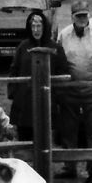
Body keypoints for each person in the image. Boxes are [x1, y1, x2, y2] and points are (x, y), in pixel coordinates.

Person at [55, 1, 92, 180]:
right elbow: (57, 62)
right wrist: (61, 88)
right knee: (68, 131)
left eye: (84, 15)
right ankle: (69, 167)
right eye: (78, 16)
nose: (82, 19)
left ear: (89, 16)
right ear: (72, 17)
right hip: (70, 90)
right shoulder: (63, 35)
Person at [7, 10, 70, 142]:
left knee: (45, 141)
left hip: (47, 101)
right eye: (33, 27)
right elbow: (14, 70)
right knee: (25, 141)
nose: (36, 30)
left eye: (39, 26)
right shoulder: (23, 47)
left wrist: (58, 96)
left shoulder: (55, 48)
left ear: (44, 27)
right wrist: (13, 92)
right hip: (25, 103)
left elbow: (63, 72)